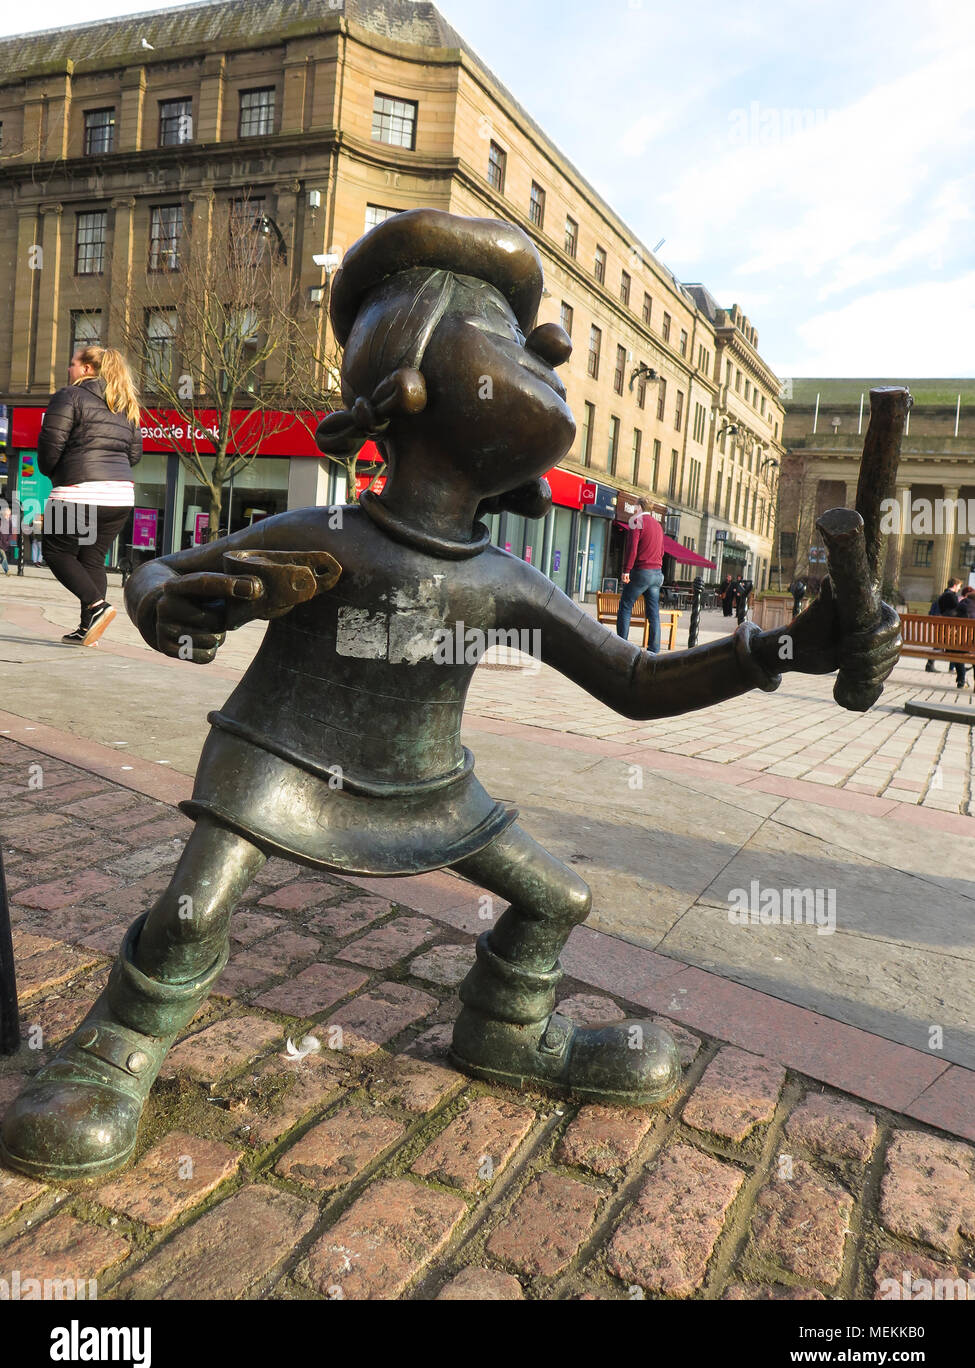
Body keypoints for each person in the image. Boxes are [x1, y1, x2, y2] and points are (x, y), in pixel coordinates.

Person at [0, 209, 901, 1182]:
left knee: (560, 896)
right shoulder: (329, 533)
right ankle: (117, 1047)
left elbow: (634, 683)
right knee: (190, 912)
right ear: (409, 377)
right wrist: (161, 599)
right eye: (509, 341)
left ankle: (507, 1029)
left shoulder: (501, 581)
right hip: (276, 763)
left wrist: (778, 648)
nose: (551, 346)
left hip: (432, 787)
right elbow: (160, 567)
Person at [37, 345, 142, 647]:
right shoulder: (125, 403)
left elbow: (50, 445)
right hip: (120, 497)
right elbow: (134, 455)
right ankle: (89, 631)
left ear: (86, 369)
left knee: (56, 552)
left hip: (76, 492)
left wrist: (54, 473)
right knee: (92, 559)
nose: (68, 369)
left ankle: (97, 607)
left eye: (72, 364)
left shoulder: (68, 396)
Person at [616, 496, 664, 651]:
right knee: (653, 613)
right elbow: (662, 551)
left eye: (635, 506)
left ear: (639, 507)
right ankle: (654, 650)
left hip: (642, 571)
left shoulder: (636, 521)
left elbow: (632, 548)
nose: (634, 508)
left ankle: (622, 646)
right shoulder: (658, 525)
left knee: (625, 606)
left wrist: (627, 570)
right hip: (657, 573)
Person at [926, 577, 961, 673]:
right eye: (958, 586)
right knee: (954, 644)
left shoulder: (943, 595)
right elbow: (957, 609)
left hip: (941, 624)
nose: (959, 589)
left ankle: (931, 664)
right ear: (954, 585)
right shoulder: (951, 596)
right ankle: (957, 667)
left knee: (942, 643)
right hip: (947, 625)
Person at [952, 585, 975, 688]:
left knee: (958, 649)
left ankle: (961, 679)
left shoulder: (960, 604)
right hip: (971, 646)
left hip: (955, 645)